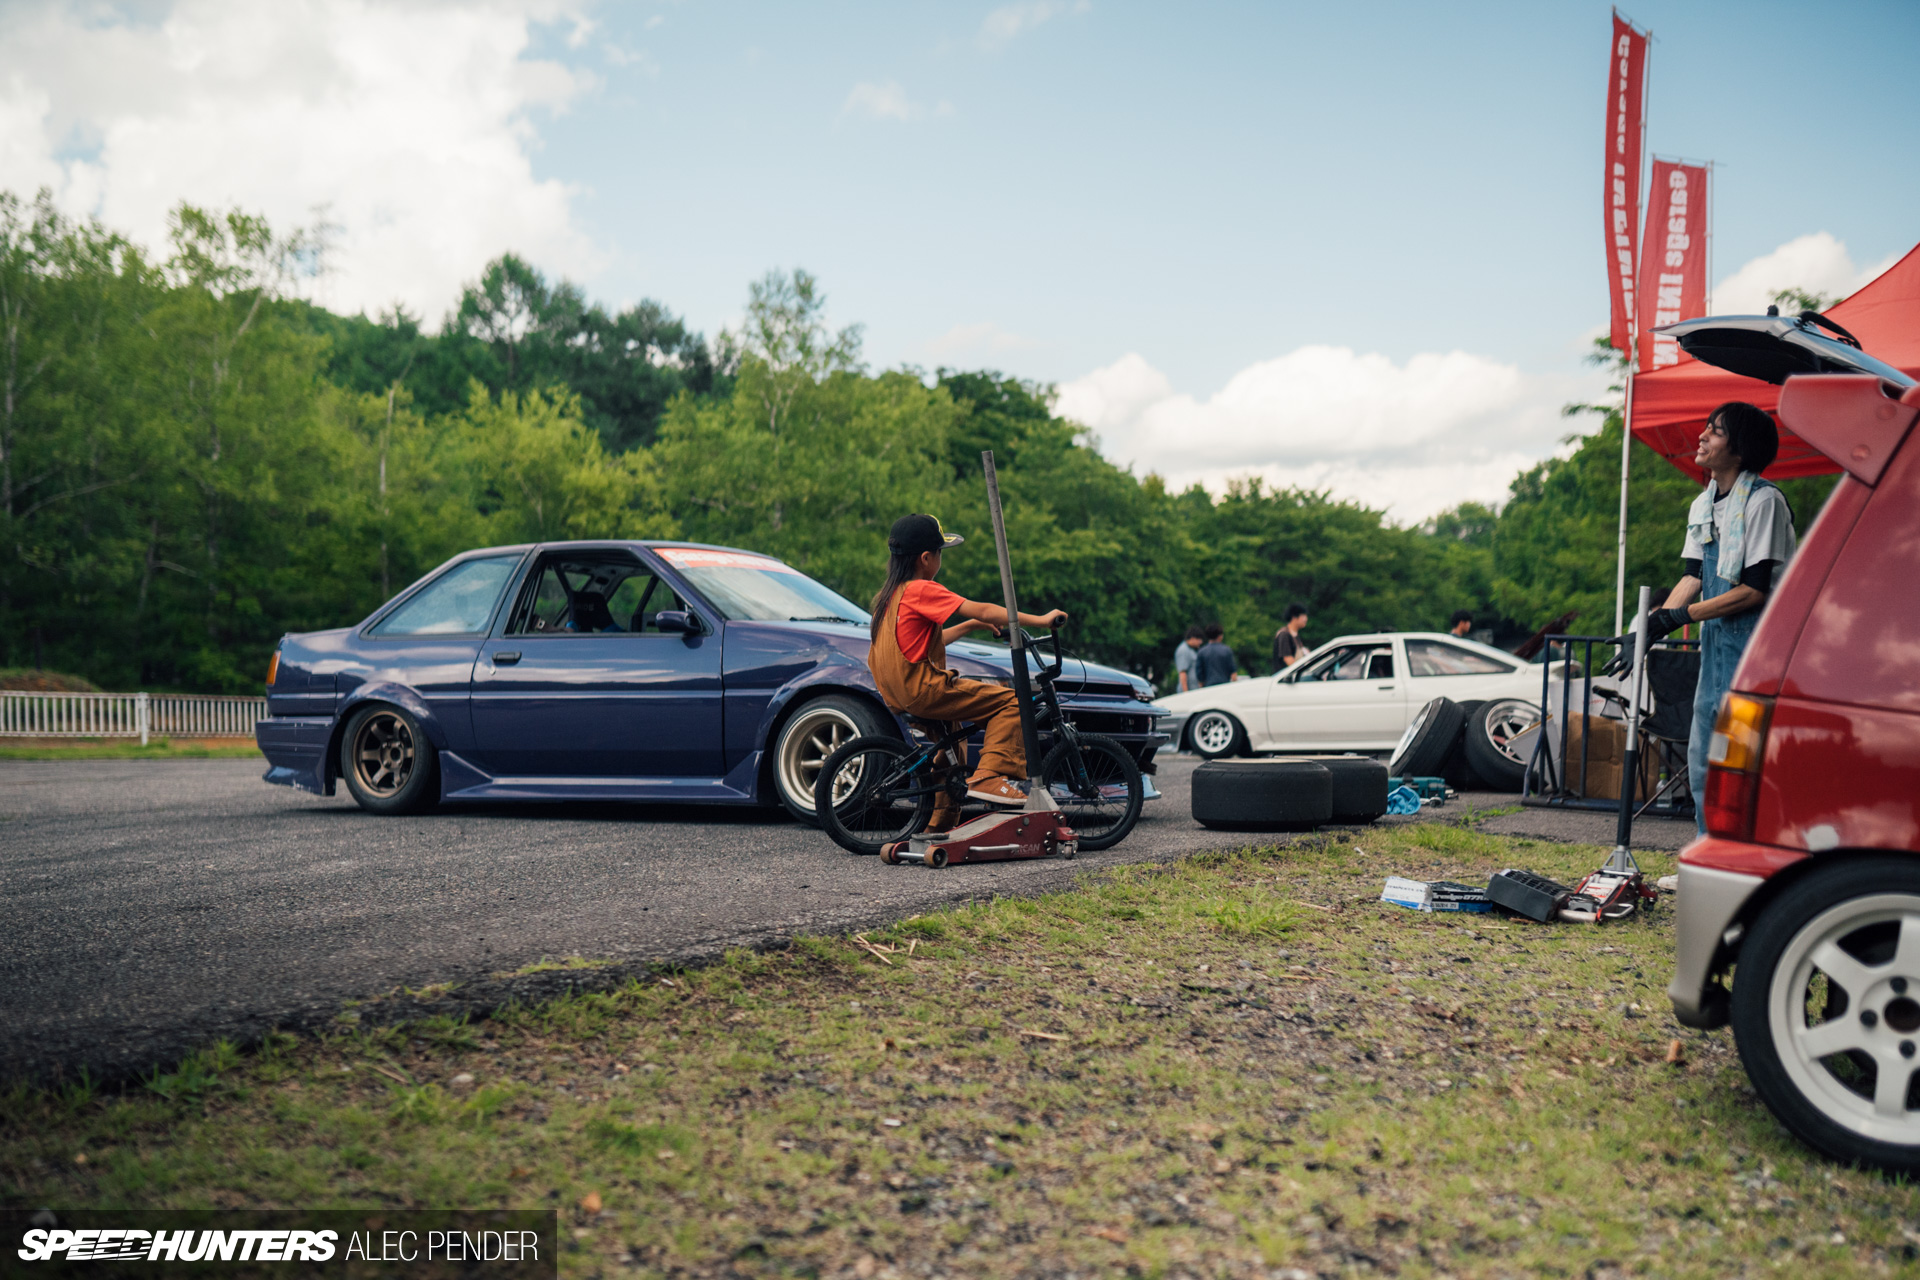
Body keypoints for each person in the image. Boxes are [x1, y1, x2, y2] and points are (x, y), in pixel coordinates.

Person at [1633, 402, 1798, 834]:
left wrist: (1677, 618)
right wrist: (1647, 629)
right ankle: (1711, 855)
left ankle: (1747, 860)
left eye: (1716, 431)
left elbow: (1752, 590)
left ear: (1740, 450)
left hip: (1758, 650)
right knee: (1705, 760)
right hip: (1716, 648)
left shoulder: (1764, 502)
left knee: (1743, 763)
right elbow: (1693, 576)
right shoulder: (1702, 506)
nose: (1702, 437)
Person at [867, 514, 1069, 823]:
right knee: (1011, 702)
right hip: (924, 690)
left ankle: (940, 823)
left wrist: (970, 626)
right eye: (940, 552)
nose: (940, 559)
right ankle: (988, 776)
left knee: (953, 745)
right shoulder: (921, 589)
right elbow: (986, 608)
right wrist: (1042, 619)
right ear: (925, 558)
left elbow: (919, 647)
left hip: (899, 692)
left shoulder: (888, 597)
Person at [1272, 604, 1309, 669]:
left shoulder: (1295, 635)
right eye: (1303, 616)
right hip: (1286, 677)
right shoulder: (1284, 634)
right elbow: (1288, 659)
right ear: (1294, 617)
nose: (1306, 619)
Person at [1172, 625, 1205, 692]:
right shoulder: (1183, 650)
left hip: (1194, 690)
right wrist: (1186, 693)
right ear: (1192, 638)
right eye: (1199, 639)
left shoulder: (1191, 650)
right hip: (1188, 692)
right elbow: (1182, 673)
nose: (1200, 642)